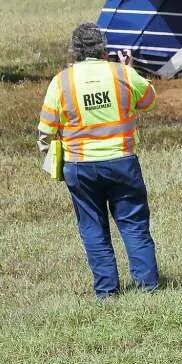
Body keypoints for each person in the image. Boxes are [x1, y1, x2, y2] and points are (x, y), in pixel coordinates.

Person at [36, 23, 159, 298]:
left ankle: (106, 292)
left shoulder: (62, 81)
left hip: (79, 167)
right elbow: (150, 100)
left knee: (92, 228)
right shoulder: (122, 73)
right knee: (134, 225)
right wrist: (130, 70)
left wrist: (49, 157)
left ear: (73, 51)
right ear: (104, 49)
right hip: (122, 162)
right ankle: (148, 287)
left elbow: (45, 129)